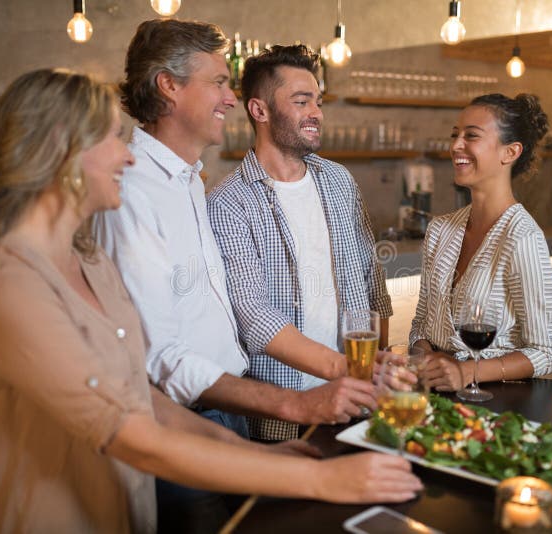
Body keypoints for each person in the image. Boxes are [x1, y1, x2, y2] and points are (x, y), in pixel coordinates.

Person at [0, 68, 421, 533]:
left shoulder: (89, 261)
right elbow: (134, 437)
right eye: (112, 138)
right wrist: (319, 477)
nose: (128, 157)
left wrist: (259, 453)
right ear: (62, 148)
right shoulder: (4, 283)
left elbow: (145, 399)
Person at [94, 20, 380, 531]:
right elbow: (163, 356)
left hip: (225, 414)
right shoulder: (136, 192)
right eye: (219, 82)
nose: (230, 98)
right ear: (169, 86)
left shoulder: (187, 182)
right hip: (181, 422)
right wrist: (297, 402)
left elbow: (365, 278)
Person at [207, 45, 392, 441]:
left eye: (318, 102)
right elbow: (253, 314)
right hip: (284, 414)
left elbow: (371, 279)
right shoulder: (228, 203)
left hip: (358, 403)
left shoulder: (339, 180)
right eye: (301, 101)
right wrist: (343, 368)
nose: (317, 113)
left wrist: (374, 373)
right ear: (259, 110)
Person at [410, 93, 552, 391]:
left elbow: (546, 352)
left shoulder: (522, 238)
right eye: (455, 135)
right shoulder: (439, 230)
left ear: (510, 152)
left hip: (495, 400)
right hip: (437, 394)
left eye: (471, 136)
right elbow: (421, 325)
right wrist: (425, 357)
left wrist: (468, 372)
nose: (456, 146)